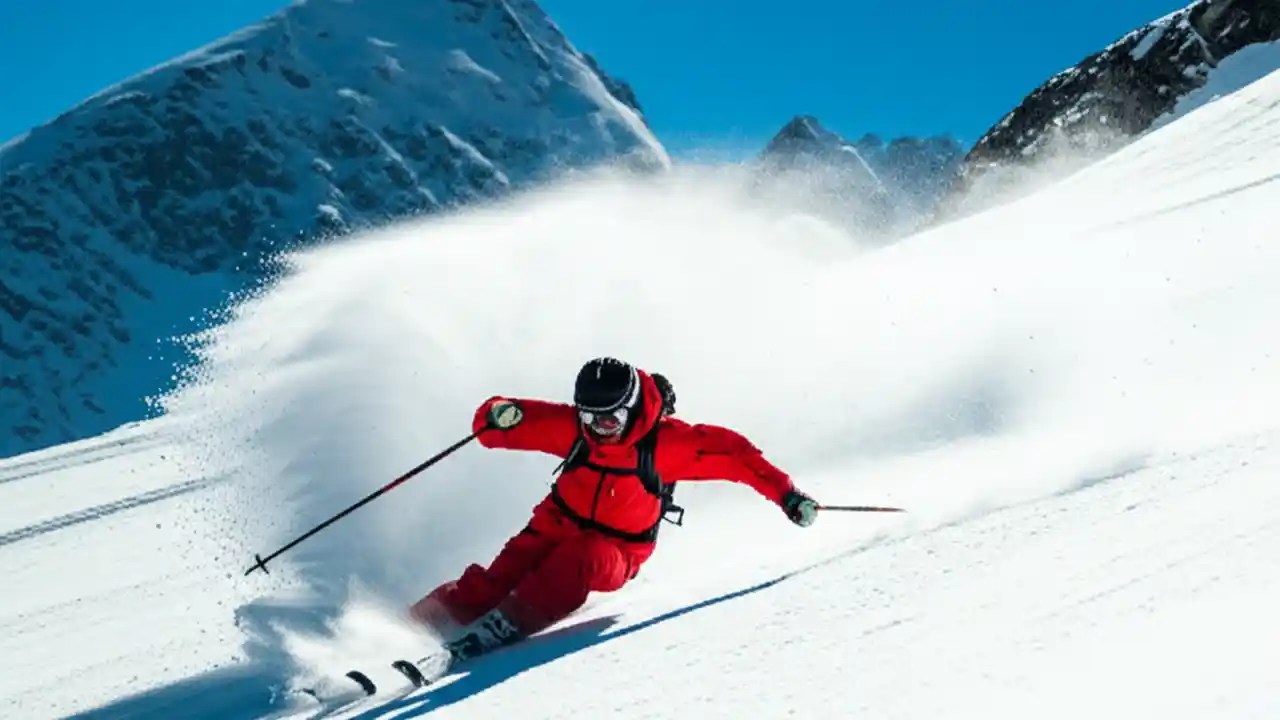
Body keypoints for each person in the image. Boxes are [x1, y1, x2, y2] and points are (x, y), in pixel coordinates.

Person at [408, 357, 820, 661]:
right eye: (589, 418)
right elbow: (501, 425)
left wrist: (787, 495)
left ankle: (511, 621)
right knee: (494, 581)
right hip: (555, 523)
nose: (598, 429)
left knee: (581, 557)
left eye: (609, 421)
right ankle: (418, 620)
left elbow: (736, 457)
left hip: (617, 549)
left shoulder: (665, 446)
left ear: (633, 408)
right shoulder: (579, 430)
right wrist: (498, 414)